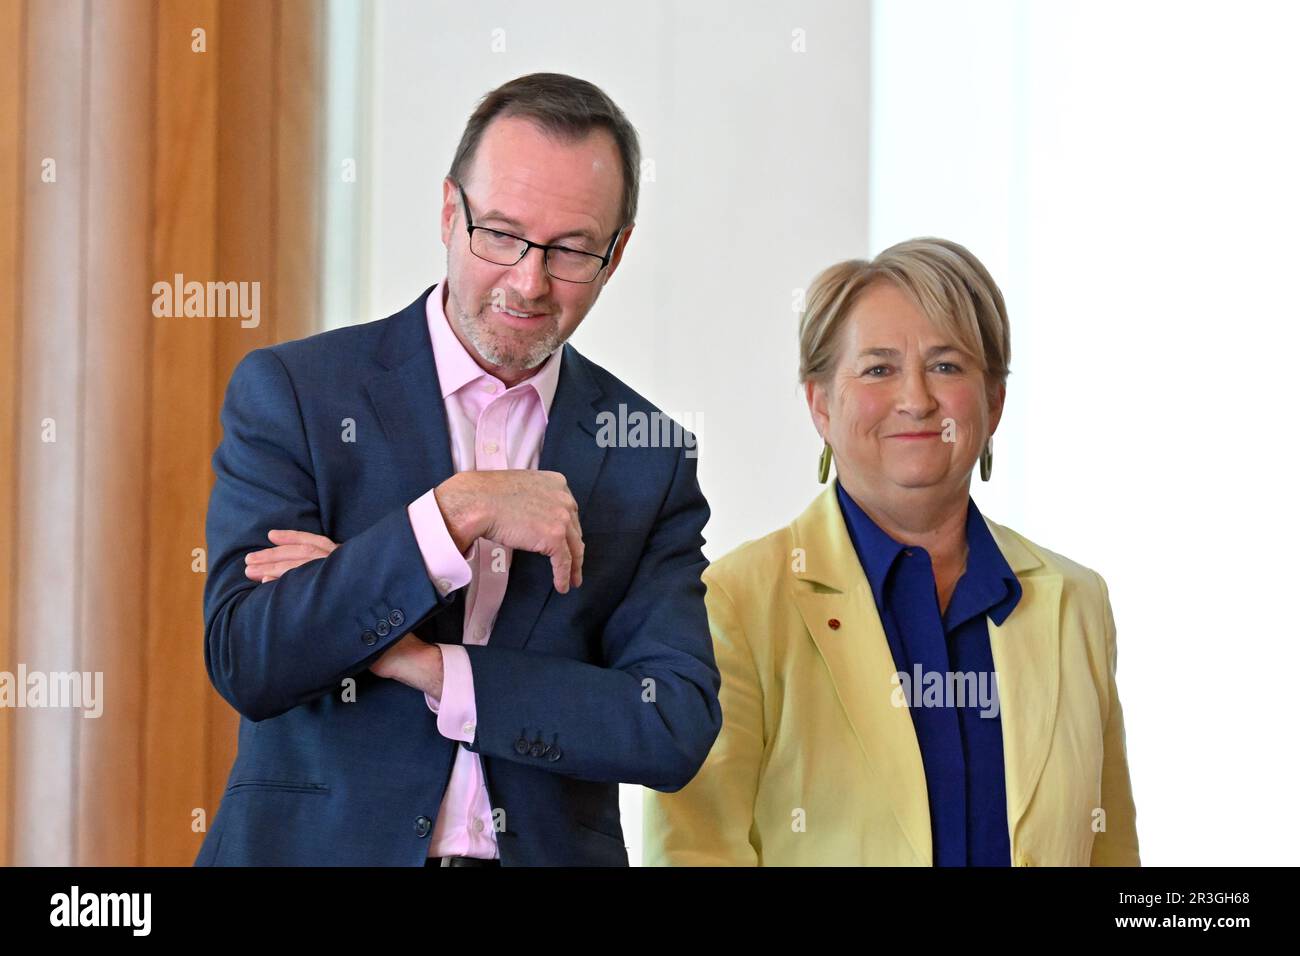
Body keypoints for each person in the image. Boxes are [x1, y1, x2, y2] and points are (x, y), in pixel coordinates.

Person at [195, 73, 720, 867]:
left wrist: (426, 666)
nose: (528, 281)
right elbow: (250, 655)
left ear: (617, 254)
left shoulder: (647, 450)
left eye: (571, 250)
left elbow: (670, 722)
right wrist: (453, 514)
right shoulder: (298, 393)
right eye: (501, 234)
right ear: (449, 212)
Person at [643, 238, 1139, 866]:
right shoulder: (735, 603)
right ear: (820, 404)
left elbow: (1111, 852)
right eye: (878, 368)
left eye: (947, 366)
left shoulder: (1077, 602)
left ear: (994, 401)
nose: (917, 400)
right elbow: (694, 852)